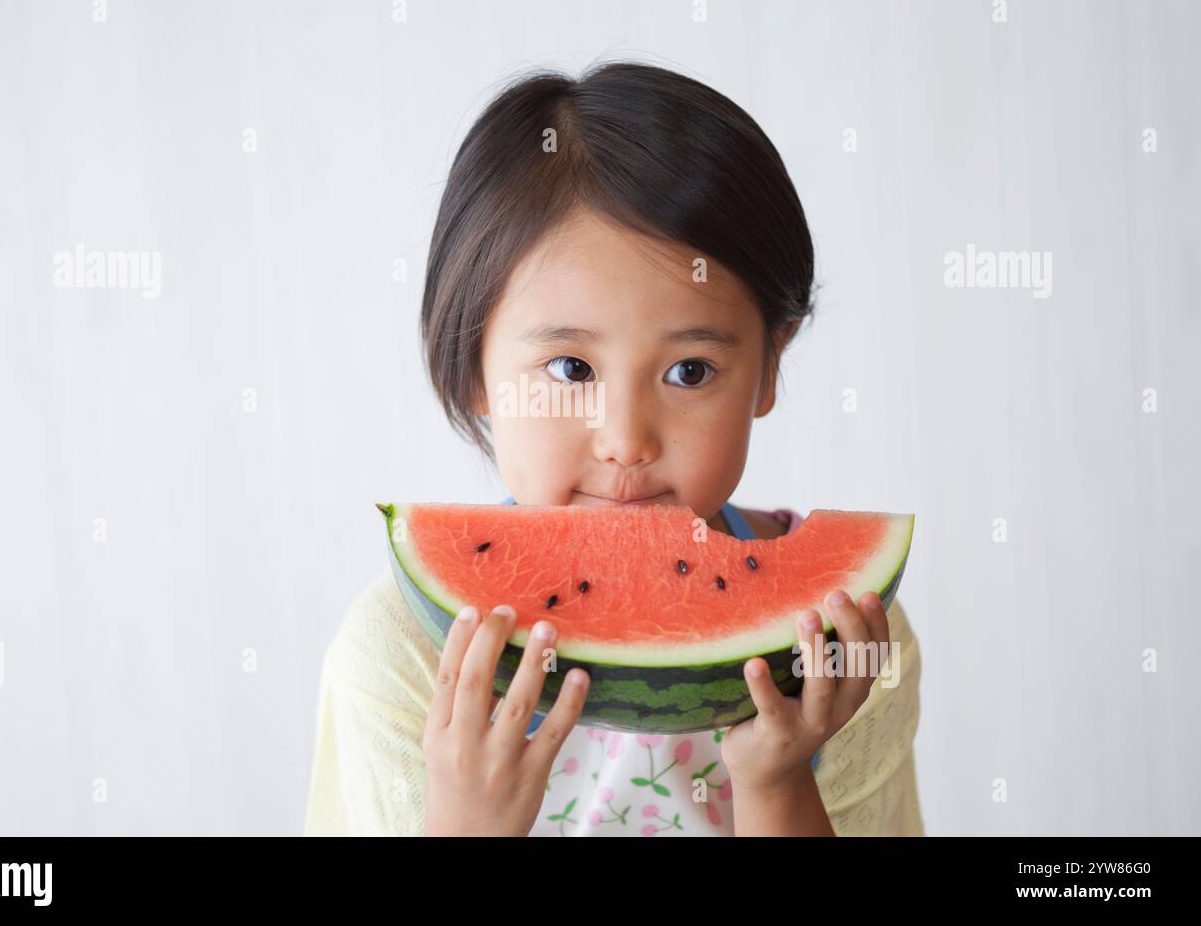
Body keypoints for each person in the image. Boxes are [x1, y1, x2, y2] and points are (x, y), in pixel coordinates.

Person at [305, 61, 924, 836]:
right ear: (474, 372)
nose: (627, 441)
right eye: (570, 369)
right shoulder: (401, 655)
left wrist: (777, 781)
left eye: (689, 371)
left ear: (769, 366)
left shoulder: (847, 642)